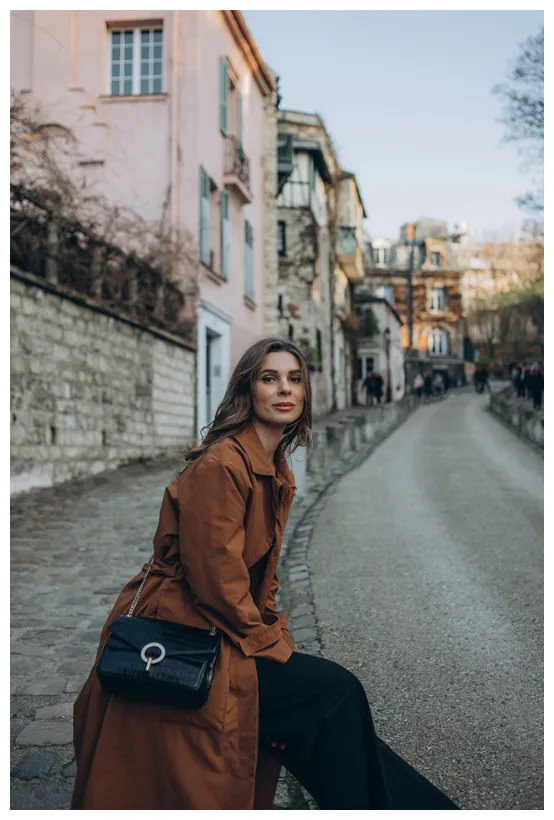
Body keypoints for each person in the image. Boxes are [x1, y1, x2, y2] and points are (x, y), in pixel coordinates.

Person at [71, 338, 457, 811]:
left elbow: (263, 574)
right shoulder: (223, 464)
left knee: (327, 711)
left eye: (295, 379)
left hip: (225, 623)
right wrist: (269, 642)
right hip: (186, 624)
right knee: (334, 695)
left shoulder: (275, 467)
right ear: (247, 389)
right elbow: (216, 580)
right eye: (269, 378)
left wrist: (272, 626)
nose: (284, 390)